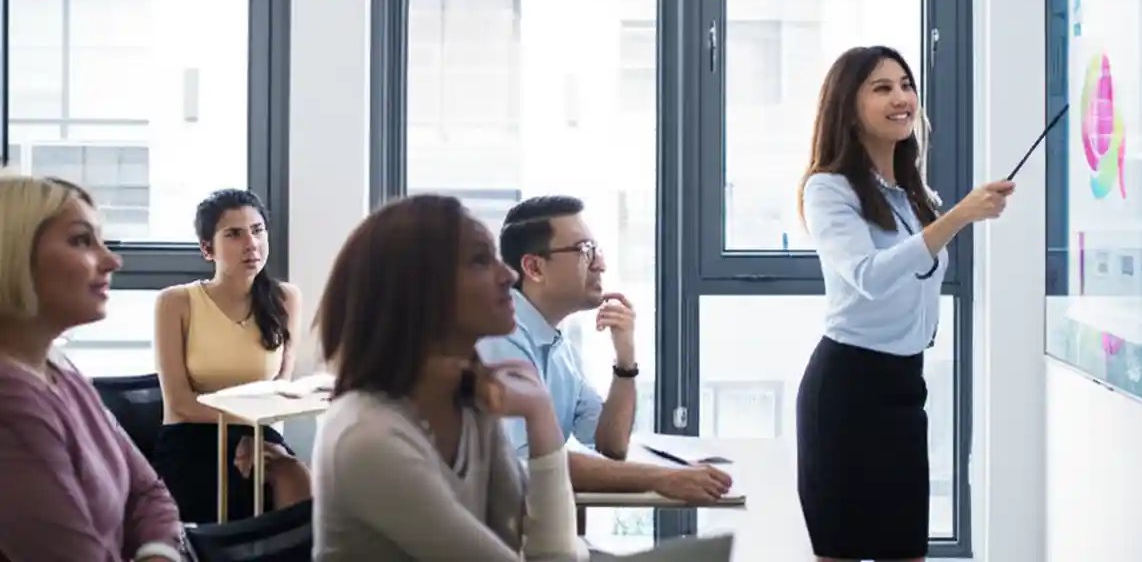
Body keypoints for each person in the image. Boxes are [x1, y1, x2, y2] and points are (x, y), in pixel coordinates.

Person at [796, 45, 1014, 562]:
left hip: (903, 389)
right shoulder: (828, 189)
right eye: (882, 88)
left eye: (906, 85)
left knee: (906, 551)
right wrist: (958, 217)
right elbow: (870, 275)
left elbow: (917, 276)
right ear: (848, 107)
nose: (902, 98)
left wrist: (946, 216)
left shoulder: (913, 193)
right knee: (840, 553)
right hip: (846, 391)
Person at [310, 194, 582, 561]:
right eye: (480, 260)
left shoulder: (469, 405)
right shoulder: (367, 438)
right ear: (417, 287)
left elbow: (544, 553)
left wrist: (540, 414)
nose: (509, 276)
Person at [478, 196, 732, 503]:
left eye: (596, 250)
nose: (601, 264)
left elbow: (611, 444)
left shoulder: (558, 345)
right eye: (585, 251)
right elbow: (529, 465)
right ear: (534, 267)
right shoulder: (499, 338)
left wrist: (625, 359)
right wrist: (663, 478)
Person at [0, 172, 183, 562]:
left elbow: (149, 492)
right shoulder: (9, 402)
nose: (111, 260)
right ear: (13, 253)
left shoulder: (60, 372)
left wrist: (157, 554)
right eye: (81, 240)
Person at [152, 188, 310, 523]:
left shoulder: (285, 299)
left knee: (298, 478)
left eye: (257, 230)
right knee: (229, 496)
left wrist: (253, 436)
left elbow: (281, 386)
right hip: (191, 438)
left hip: (257, 432)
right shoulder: (175, 302)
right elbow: (180, 402)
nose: (251, 244)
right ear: (207, 249)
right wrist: (242, 427)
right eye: (234, 234)